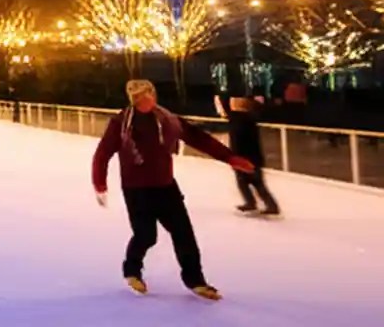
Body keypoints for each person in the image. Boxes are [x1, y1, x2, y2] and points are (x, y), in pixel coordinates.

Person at [93, 80, 255, 301]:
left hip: (166, 186)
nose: (143, 101)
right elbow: (103, 154)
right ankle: (131, 271)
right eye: (137, 97)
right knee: (146, 235)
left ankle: (196, 281)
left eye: (146, 95)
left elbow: (199, 138)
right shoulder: (121, 123)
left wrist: (230, 157)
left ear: (153, 95)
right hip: (136, 189)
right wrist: (99, 183)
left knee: (184, 234)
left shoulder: (167, 119)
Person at [227, 97, 280, 216]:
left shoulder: (238, 121)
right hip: (253, 156)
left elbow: (237, 141)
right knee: (254, 182)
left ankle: (256, 203)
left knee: (247, 181)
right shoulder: (248, 119)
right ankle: (264, 204)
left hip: (244, 157)